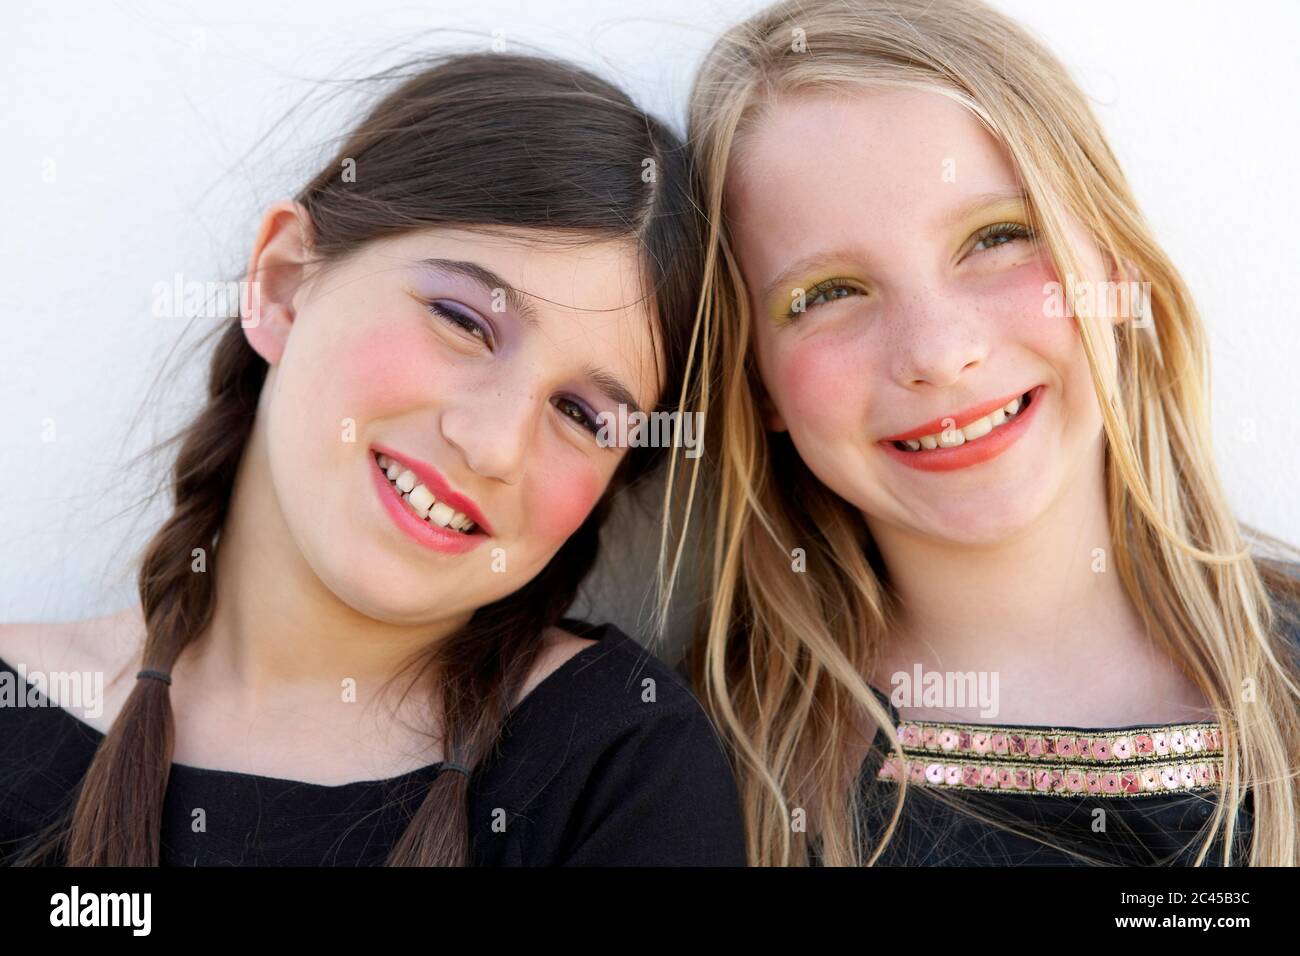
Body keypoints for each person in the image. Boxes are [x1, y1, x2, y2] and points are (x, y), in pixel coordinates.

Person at [0, 51, 745, 867]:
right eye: (463, 322)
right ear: (283, 283)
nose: (493, 443)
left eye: (579, 414)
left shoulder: (619, 770)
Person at [675, 0, 1300, 865]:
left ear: (1114, 260)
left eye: (998, 237)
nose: (939, 352)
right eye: (826, 293)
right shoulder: (682, 784)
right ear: (757, 379)